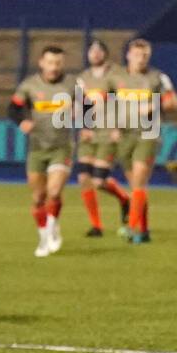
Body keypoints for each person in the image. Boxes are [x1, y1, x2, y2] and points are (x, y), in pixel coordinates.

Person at [10, 46, 79, 257]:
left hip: (62, 147)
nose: (54, 67)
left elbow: (87, 108)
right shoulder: (30, 86)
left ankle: (51, 230)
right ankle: (43, 238)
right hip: (37, 148)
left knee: (55, 191)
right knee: (39, 197)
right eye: (50, 62)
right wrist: (22, 121)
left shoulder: (72, 84)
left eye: (58, 63)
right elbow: (13, 108)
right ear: (41, 63)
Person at [110, 39, 177, 244]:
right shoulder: (117, 77)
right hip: (125, 135)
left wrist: (153, 106)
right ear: (128, 55)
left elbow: (174, 102)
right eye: (137, 55)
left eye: (145, 56)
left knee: (140, 179)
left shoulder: (158, 77)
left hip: (148, 133)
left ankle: (131, 228)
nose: (141, 59)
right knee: (135, 186)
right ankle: (144, 229)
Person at [74, 39, 130, 237]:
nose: (95, 54)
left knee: (99, 181)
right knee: (83, 177)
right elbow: (82, 104)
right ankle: (96, 226)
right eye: (92, 50)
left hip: (108, 132)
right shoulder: (83, 77)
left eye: (99, 50)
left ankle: (124, 199)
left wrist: (118, 127)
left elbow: (123, 102)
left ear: (105, 53)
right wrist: (84, 124)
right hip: (90, 133)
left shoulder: (116, 75)